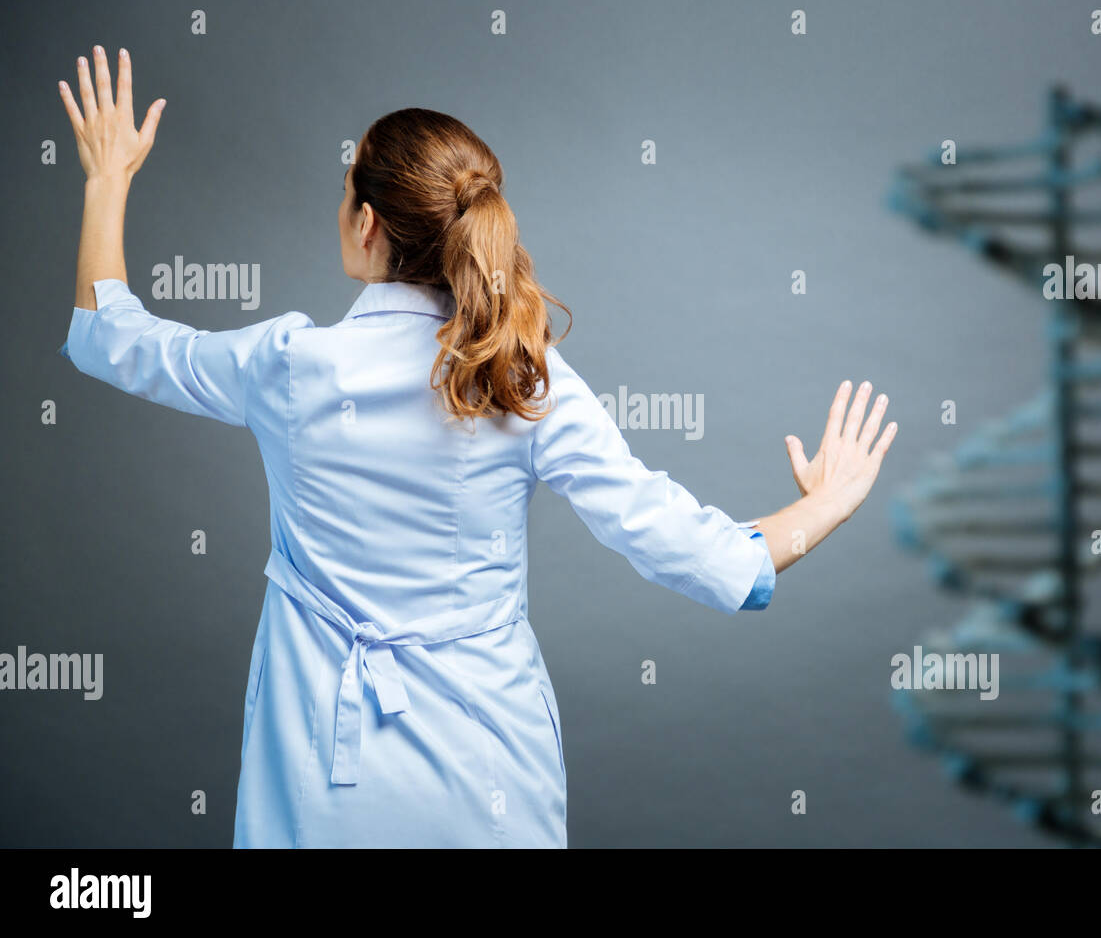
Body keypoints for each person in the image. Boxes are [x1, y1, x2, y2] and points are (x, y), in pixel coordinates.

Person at [56, 45, 898, 847]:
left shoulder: (287, 367)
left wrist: (106, 178)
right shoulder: (524, 379)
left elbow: (109, 336)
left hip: (323, 776)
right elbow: (698, 555)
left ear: (367, 223)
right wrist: (824, 504)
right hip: (492, 774)